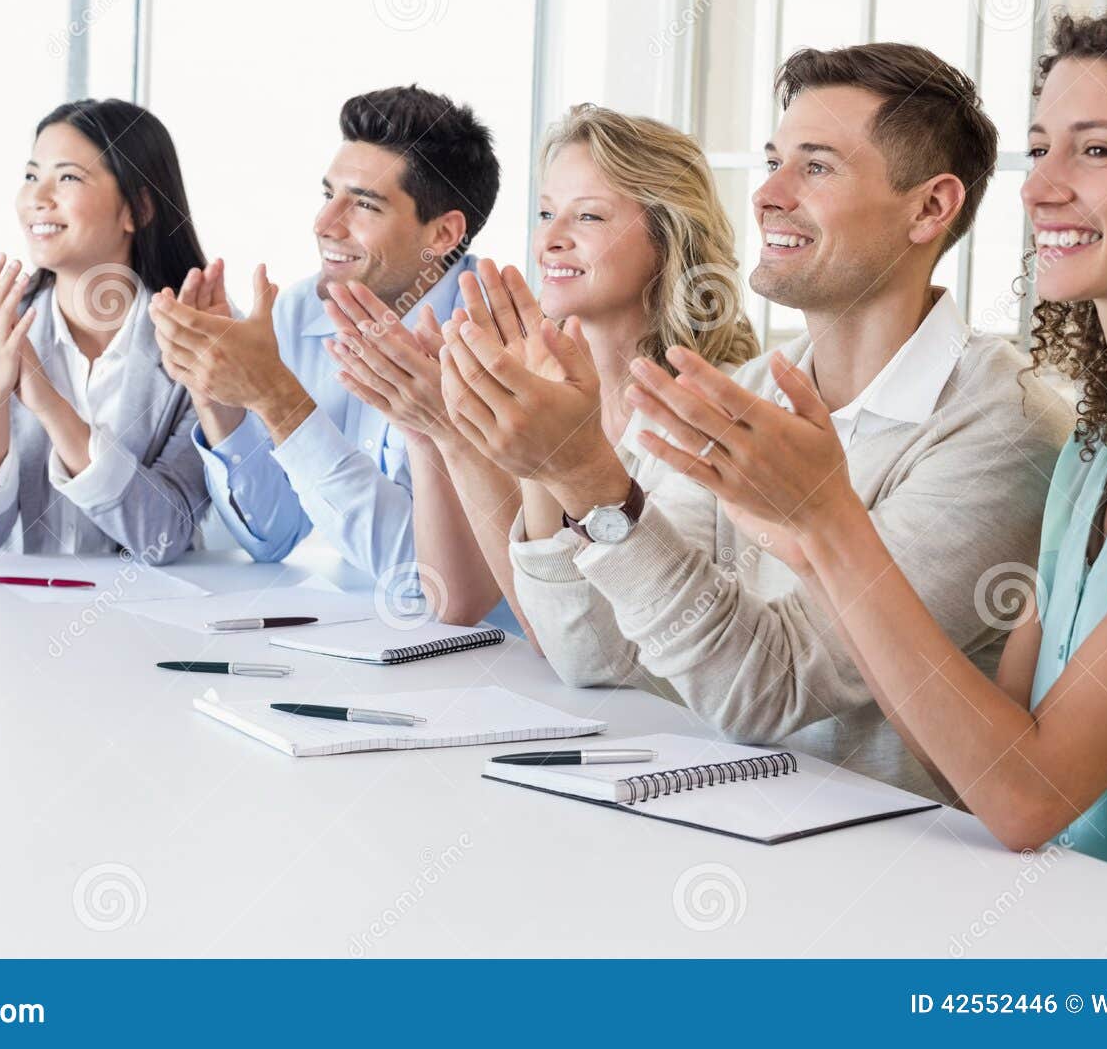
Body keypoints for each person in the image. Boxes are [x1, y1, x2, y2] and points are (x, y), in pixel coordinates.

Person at [629, 0, 1107, 944]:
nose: (1039, 186)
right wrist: (810, 539)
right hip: (1068, 937)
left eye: (1094, 151)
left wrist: (830, 523)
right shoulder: (1100, 455)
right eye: (1041, 147)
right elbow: (974, 748)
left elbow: (1027, 796)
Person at [443, 44, 1074, 799]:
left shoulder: (1004, 428)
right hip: (725, 824)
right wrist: (555, 469)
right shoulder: (743, 391)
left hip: (891, 872)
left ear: (930, 208)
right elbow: (599, 655)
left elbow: (769, 690)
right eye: (775, 160)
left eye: (815, 166)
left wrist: (587, 477)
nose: (767, 193)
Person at [320, 104, 759, 635]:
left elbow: (577, 638)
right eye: (547, 213)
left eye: (589, 216)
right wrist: (428, 430)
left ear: (669, 238)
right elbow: (456, 600)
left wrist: (456, 434)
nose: (550, 239)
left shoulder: (717, 408)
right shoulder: (526, 384)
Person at [148, 86, 500, 603]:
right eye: (328, 195)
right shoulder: (299, 311)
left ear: (443, 235)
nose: (324, 224)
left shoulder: (495, 348)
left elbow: (424, 579)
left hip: (483, 657)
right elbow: (272, 535)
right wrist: (218, 391)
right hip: (350, 635)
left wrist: (277, 398)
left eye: (363, 204)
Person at [0, 98, 211, 564]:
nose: (37, 198)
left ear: (138, 209)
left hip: (148, 616)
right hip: (11, 614)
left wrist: (49, 403)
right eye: (30, 176)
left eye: (67, 177)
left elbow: (162, 534)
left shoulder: (200, 336)